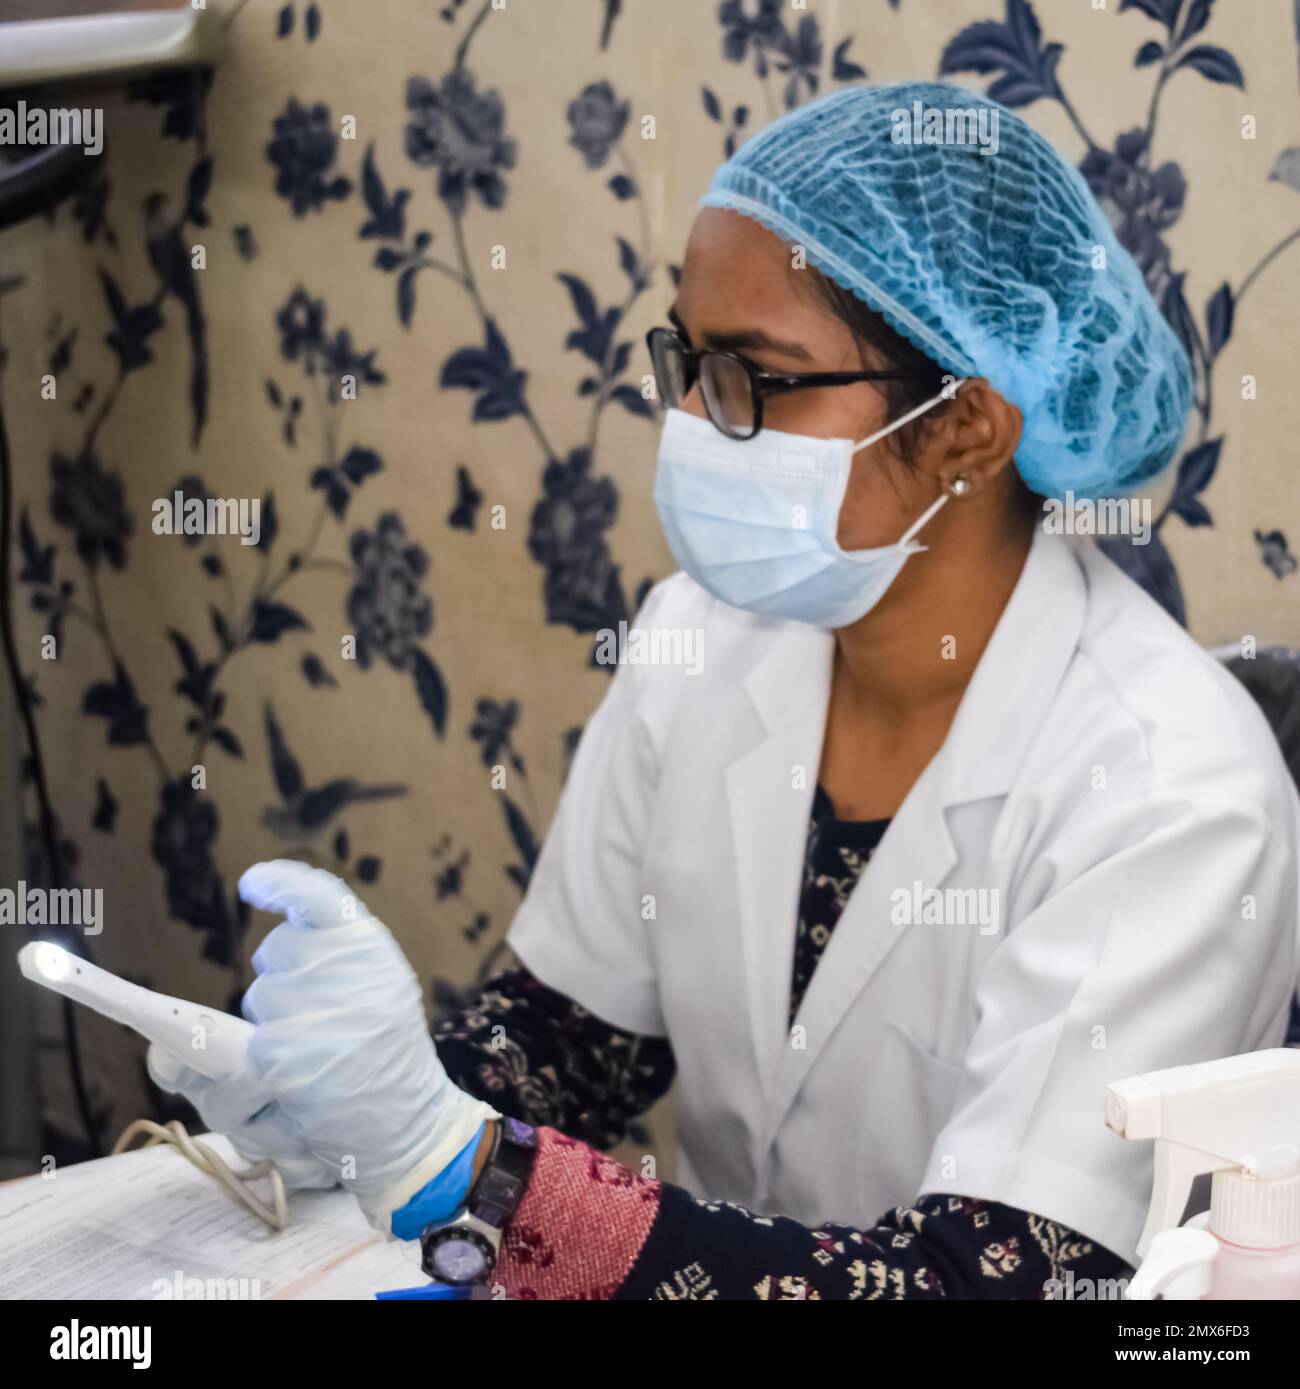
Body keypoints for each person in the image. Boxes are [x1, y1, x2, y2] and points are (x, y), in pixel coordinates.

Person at [151, 81, 1300, 1300]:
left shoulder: (1176, 795)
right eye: (687, 359)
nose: (692, 419)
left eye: (752, 375)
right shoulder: (704, 637)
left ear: (966, 423)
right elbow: (570, 1040)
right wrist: (343, 1099)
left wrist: (475, 1173)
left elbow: (986, 1283)